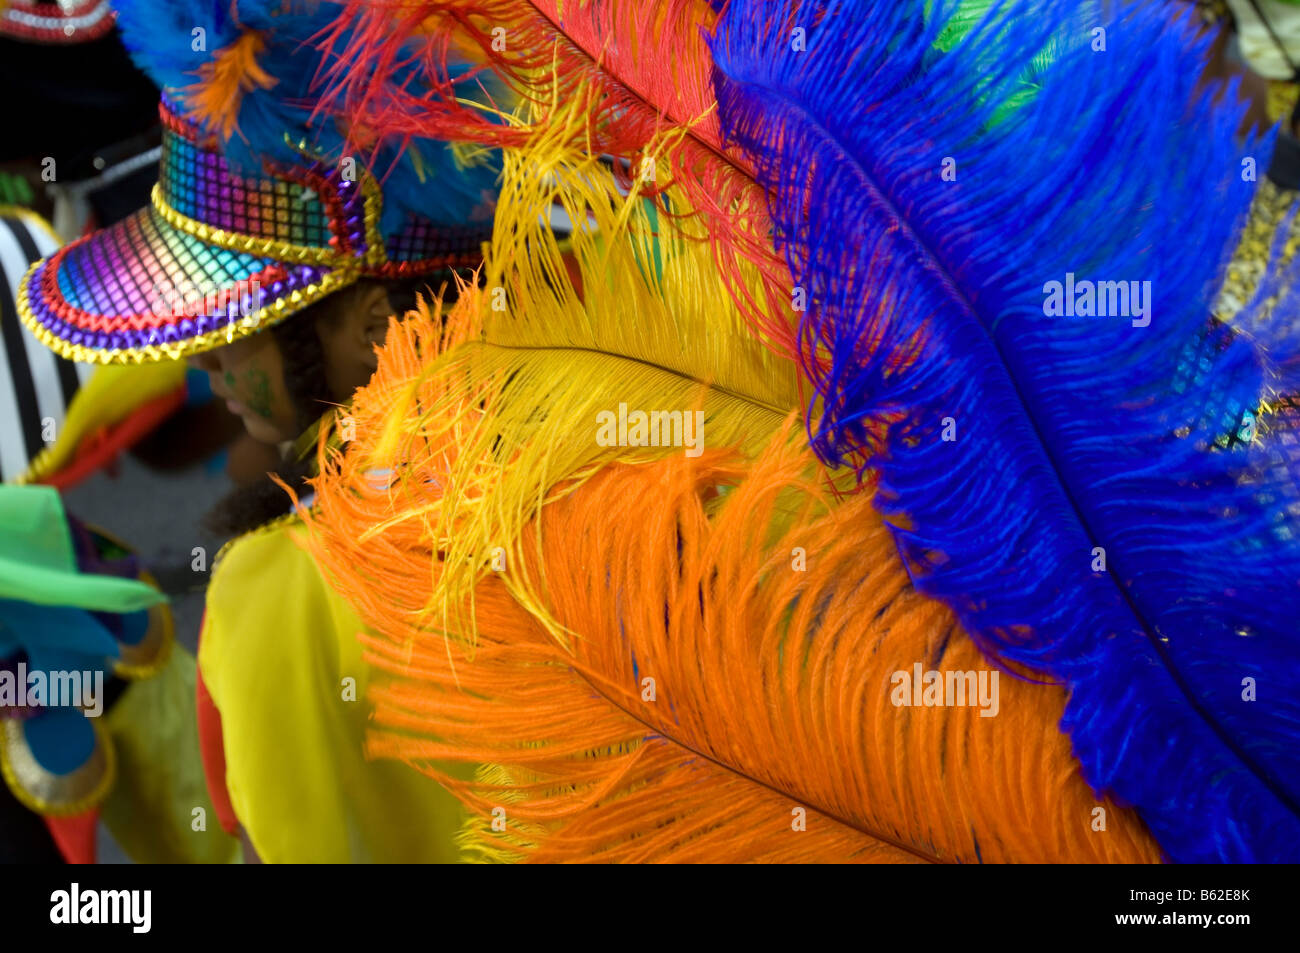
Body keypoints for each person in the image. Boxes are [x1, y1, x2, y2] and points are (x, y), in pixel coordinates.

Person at [19, 0, 500, 861]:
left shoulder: (279, 590)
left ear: (372, 324)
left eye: (238, 324)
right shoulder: (603, 443)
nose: (198, 362)